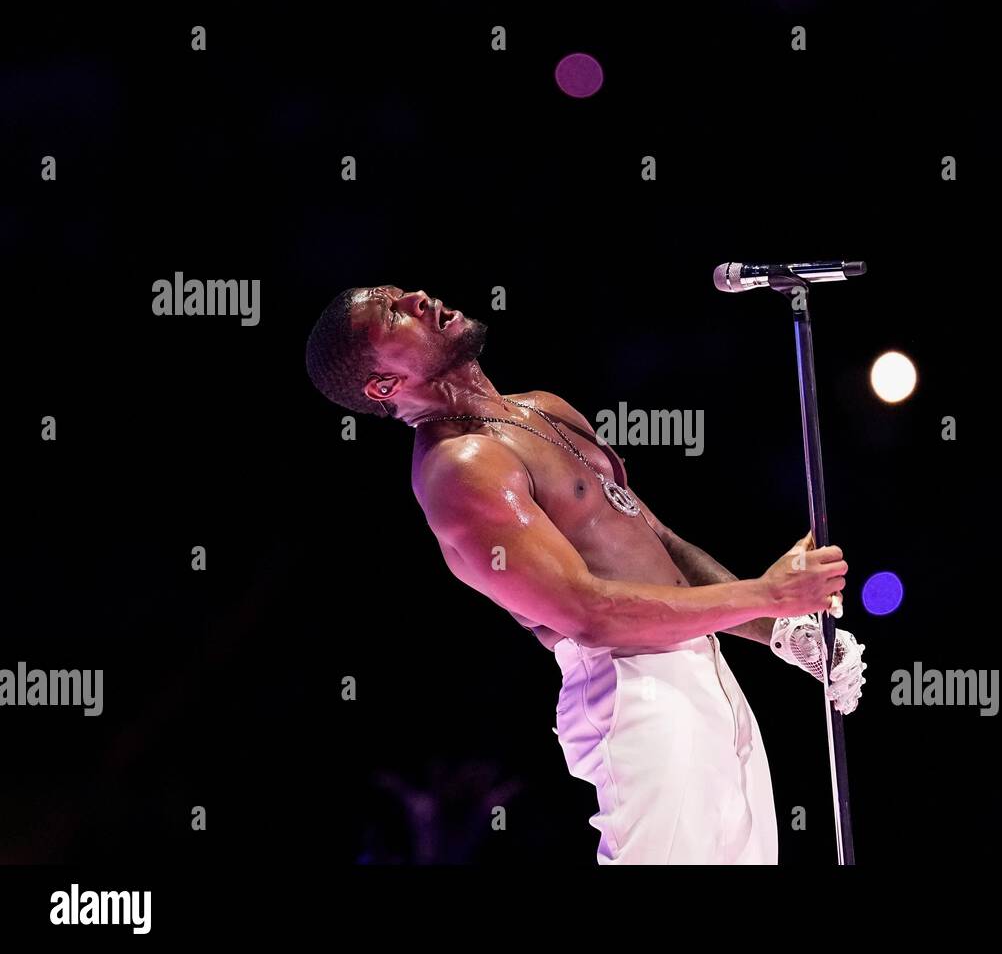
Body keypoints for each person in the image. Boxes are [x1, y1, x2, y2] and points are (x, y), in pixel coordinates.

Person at [305, 285, 867, 863]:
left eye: (407, 293)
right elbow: (587, 614)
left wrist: (781, 630)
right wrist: (766, 596)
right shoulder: (459, 468)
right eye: (394, 312)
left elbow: (661, 545)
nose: (420, 298)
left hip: (702, 668)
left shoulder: (543, 409)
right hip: (633, 687)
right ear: (384, 387)